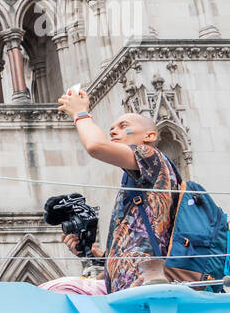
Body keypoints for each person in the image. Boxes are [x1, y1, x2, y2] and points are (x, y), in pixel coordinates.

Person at [43, 88, 190, 294]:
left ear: (150, 135)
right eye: (111, 128)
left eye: (123, 126)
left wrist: (80, 113)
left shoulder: (150, 156)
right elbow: (139, 244)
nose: (113, 131)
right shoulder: (134, 179)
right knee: (58, 289)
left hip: (147, 286)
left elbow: (95, 146)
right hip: (130, 285)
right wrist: (98, 255)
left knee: (59, 289)